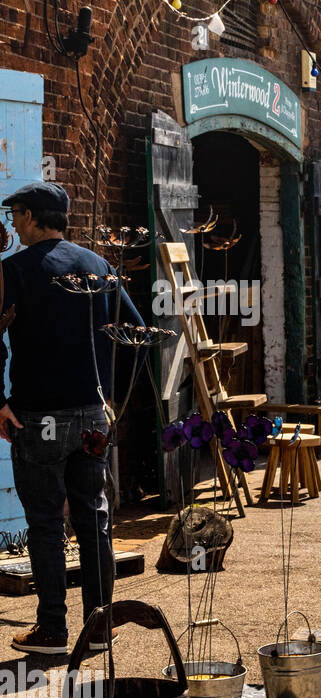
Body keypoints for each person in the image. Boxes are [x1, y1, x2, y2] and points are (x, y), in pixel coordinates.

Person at [0, 182, 143, 656]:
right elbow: (135, 331)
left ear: (34, 217)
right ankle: (99, 626)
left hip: (36, 417)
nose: (13, 222)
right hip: (91, 415)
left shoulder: (14, 271)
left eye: (16, 213)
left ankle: (53, 631)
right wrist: (110, 397)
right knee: (93, 517)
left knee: (44, 522)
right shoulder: (99, 266)